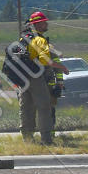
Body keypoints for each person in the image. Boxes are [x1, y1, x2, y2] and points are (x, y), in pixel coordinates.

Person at [18, 9, 68, 145]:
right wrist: (62, 67)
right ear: (38, 25)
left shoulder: (24, 38)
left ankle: (27, 140)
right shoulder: (40, 40)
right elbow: (47, 61)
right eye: (44, 22)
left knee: (26, 108)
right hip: (36, 77)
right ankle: (46, 139)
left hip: (22, 78)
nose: (46, 24)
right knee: (44, 107)